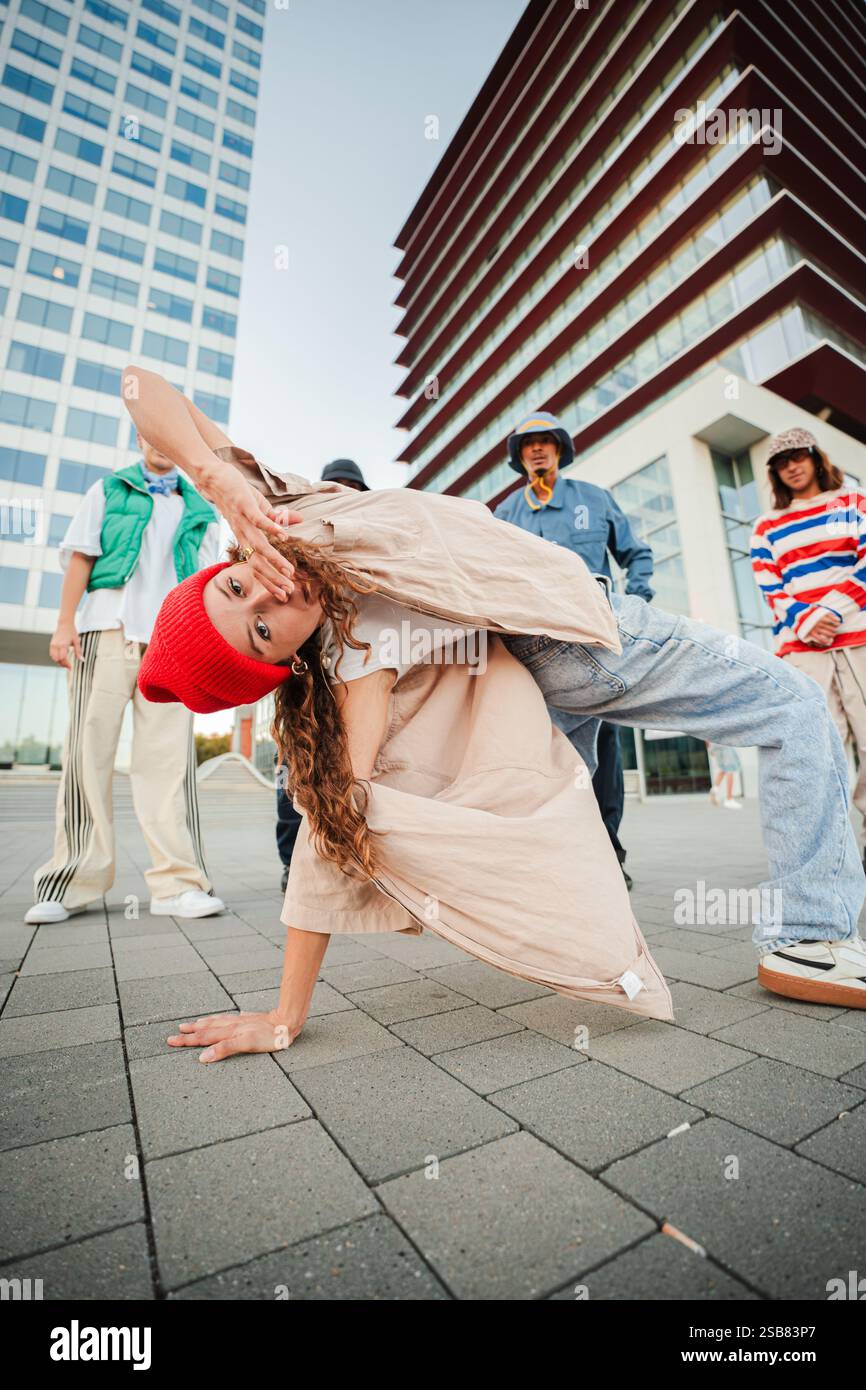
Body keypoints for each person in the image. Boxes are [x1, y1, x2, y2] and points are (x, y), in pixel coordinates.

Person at [119, 367, 866, 1063]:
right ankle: (811, 935)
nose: (266, 598)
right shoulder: (351, 657)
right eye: (258, 629)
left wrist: (215, 477)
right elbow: (329, 829)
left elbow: (142, 387)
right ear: (278, 662)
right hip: (575, 634)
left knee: (568, 811)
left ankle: (601, 945)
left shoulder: (277, 513)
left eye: (236, 587)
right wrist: (284, 1017)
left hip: (530, 672)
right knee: (793, 703)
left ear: (231, 561)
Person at [26, 435, 225, 924]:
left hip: (169, 642)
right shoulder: (109, 490)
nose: (160, 443)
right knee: (86, 754)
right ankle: (69, 882)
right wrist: (64, 622)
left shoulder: (201, 508)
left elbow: (207, 581)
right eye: (150, 435)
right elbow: (81, 557)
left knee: (168, 762)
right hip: (105, 632)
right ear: (140, 438)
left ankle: (178, 886)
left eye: (167, 435)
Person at [495, 411, 654, 888]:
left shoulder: (594, 499)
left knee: (604, 748)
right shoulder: (506, 513)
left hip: (594, 639)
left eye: (546, 442)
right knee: (542, 750)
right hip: (532, 650)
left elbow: (636, 555)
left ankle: (608, 852)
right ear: (519, 456)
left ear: (560, 449)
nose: (537, 449)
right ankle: (554, 850)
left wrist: (634, 605)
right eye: (528, 444)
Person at [751, 427, 866, 866]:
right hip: (803, 649)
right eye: (781, 462)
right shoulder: (766, 526)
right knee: (821, 749)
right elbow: (772, 588)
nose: (791, 466)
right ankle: (831, 851)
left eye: (798, 456)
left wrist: (832, 612)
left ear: (816, 458)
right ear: (775, 473)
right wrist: (809, 622)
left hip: (859, 638)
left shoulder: (853, 502)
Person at [275, 458, 371, 890]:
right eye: (334, 486)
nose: (342, 494)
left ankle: (351, 850)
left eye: (351, 488)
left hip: (353, 667)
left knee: (355, 763)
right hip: (304, 670)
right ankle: (291, 860)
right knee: (295, 764)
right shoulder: (296, 532)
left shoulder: (367, 543)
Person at [705, 741, 742, 809]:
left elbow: (706, 735)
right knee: (730, 769)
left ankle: (714, 791)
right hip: (724, 743)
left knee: (723, 769)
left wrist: (709, 748)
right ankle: (729, 799)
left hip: (714, 745)